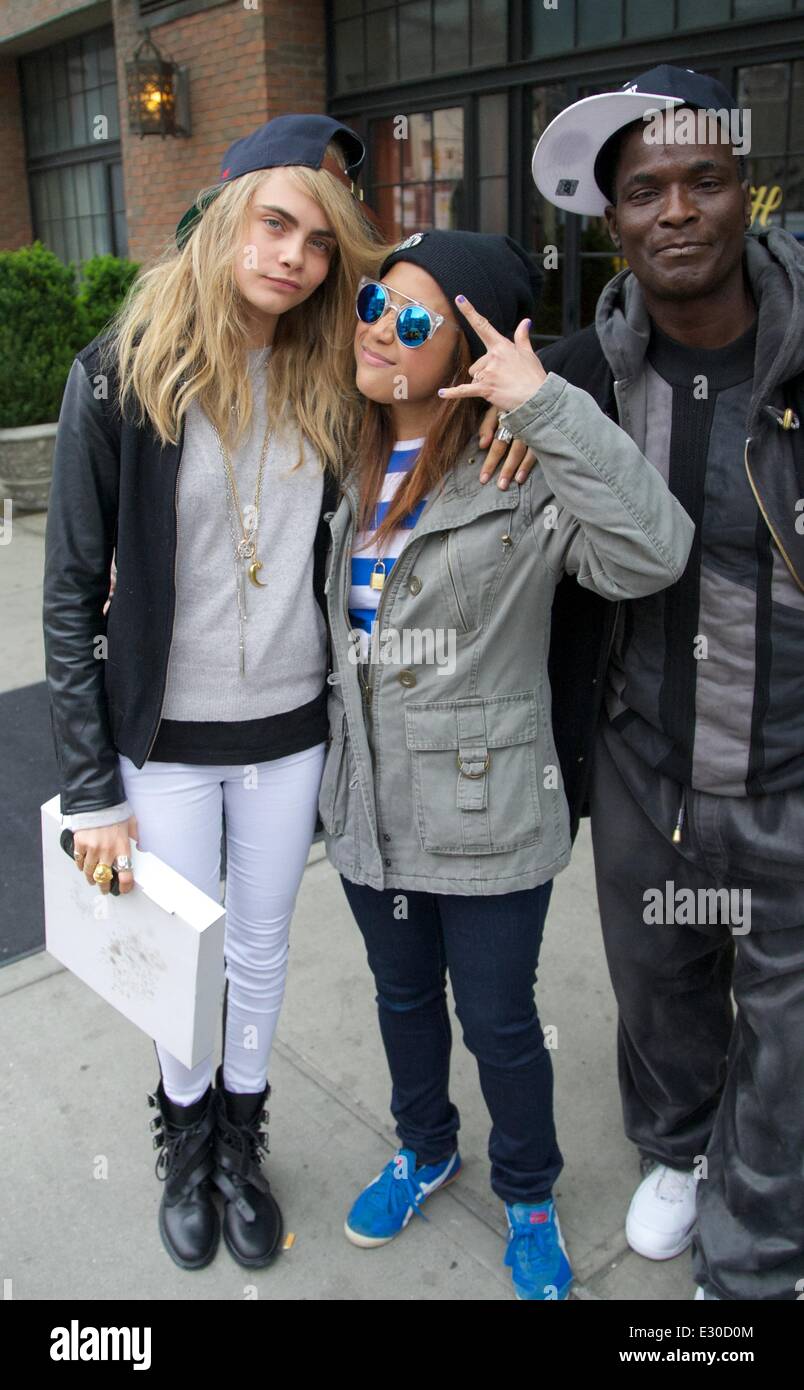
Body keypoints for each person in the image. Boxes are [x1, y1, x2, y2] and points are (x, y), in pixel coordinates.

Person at [317, 228, 695, 1299]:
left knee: (498, 1021)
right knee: (401, 1002)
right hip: (366, 810)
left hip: (489, 815)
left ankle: (528, 1191)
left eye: (419, 321)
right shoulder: (338, 459)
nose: (385, 328)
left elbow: (653, 549)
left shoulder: (516, 472)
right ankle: (424, 1145)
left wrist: (540, 408)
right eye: (374, 304)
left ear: (471, 348)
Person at [43, 113, 389, 1273]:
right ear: (227, 212)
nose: (293, 254)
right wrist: (94, 788)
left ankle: (242, 1144)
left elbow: (440, 398)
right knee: (180, 958)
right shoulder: (120, 373)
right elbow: (69, 598)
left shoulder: (334, 369)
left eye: (319, 240)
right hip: (169, 736)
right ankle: (183, 1144)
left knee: (263, 947)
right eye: (275, 221)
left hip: (290, 728)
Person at [531, 65, 804, 1301]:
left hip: (792, 774)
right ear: (613, 220)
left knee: (791, 1040)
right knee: (661, 988)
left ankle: (753, 1255)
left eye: (705, 179)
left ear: (751, 190)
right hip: (645, 764)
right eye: (646, 190)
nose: (677, 210)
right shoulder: (582, 377)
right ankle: (677, 1147)